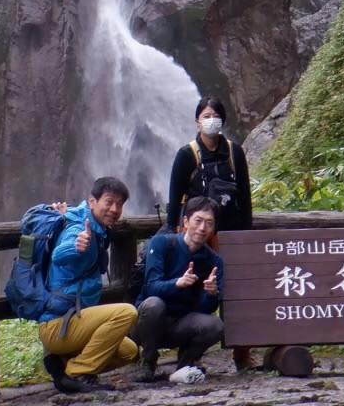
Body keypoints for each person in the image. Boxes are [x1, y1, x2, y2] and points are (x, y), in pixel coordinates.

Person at [166, 96, 254, 370]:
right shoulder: (187, 154)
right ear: (197, 121)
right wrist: (173, 232)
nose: (211, 120)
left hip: (231, 232)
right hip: (201, 236)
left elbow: (245, 195)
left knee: (236, 292)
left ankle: (242, 353)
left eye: (215, 115)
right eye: (206, 115)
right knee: (196, 288)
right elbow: (174, 197)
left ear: (223, 120)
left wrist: (246, 234)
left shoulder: (234, 153)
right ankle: (192, 353)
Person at [37, 177, 140, 395]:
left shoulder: (96, 228)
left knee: (129, 351)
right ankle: (75, 373)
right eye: (109, 202)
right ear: (92, 202)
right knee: (126, 313)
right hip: (59, 323)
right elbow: (59, 255)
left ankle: (64, 363)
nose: (114, 209)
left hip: (76, 319)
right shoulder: (79, 228)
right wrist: (76, 247)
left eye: (119, 204)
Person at [133, 196, 225, 385]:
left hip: (180, 324)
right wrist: (177, 283)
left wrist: (211, 294)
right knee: (154, 305)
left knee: (215, 325)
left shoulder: (214, 261)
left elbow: (205, 310)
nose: (202, 228)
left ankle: (185, 365)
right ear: (185, 222)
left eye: (209, 223)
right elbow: (151, 286)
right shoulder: (162, 244)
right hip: (146, 324)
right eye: (198, 221)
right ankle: (148, 362)